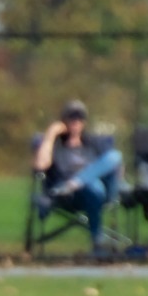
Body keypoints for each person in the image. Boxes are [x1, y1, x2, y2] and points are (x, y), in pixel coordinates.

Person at [32, 99, 122, 254]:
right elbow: (40, 166)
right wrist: (51, 134)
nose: (76, 121)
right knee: (95, 187)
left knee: (115, 156)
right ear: (63, 120)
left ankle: (78, 181)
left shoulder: (92, 143)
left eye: (80, 118)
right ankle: (97, 241)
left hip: (94, 191)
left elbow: (114, 163)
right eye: (71, 117)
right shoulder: (57, 145)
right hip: (66, 194)